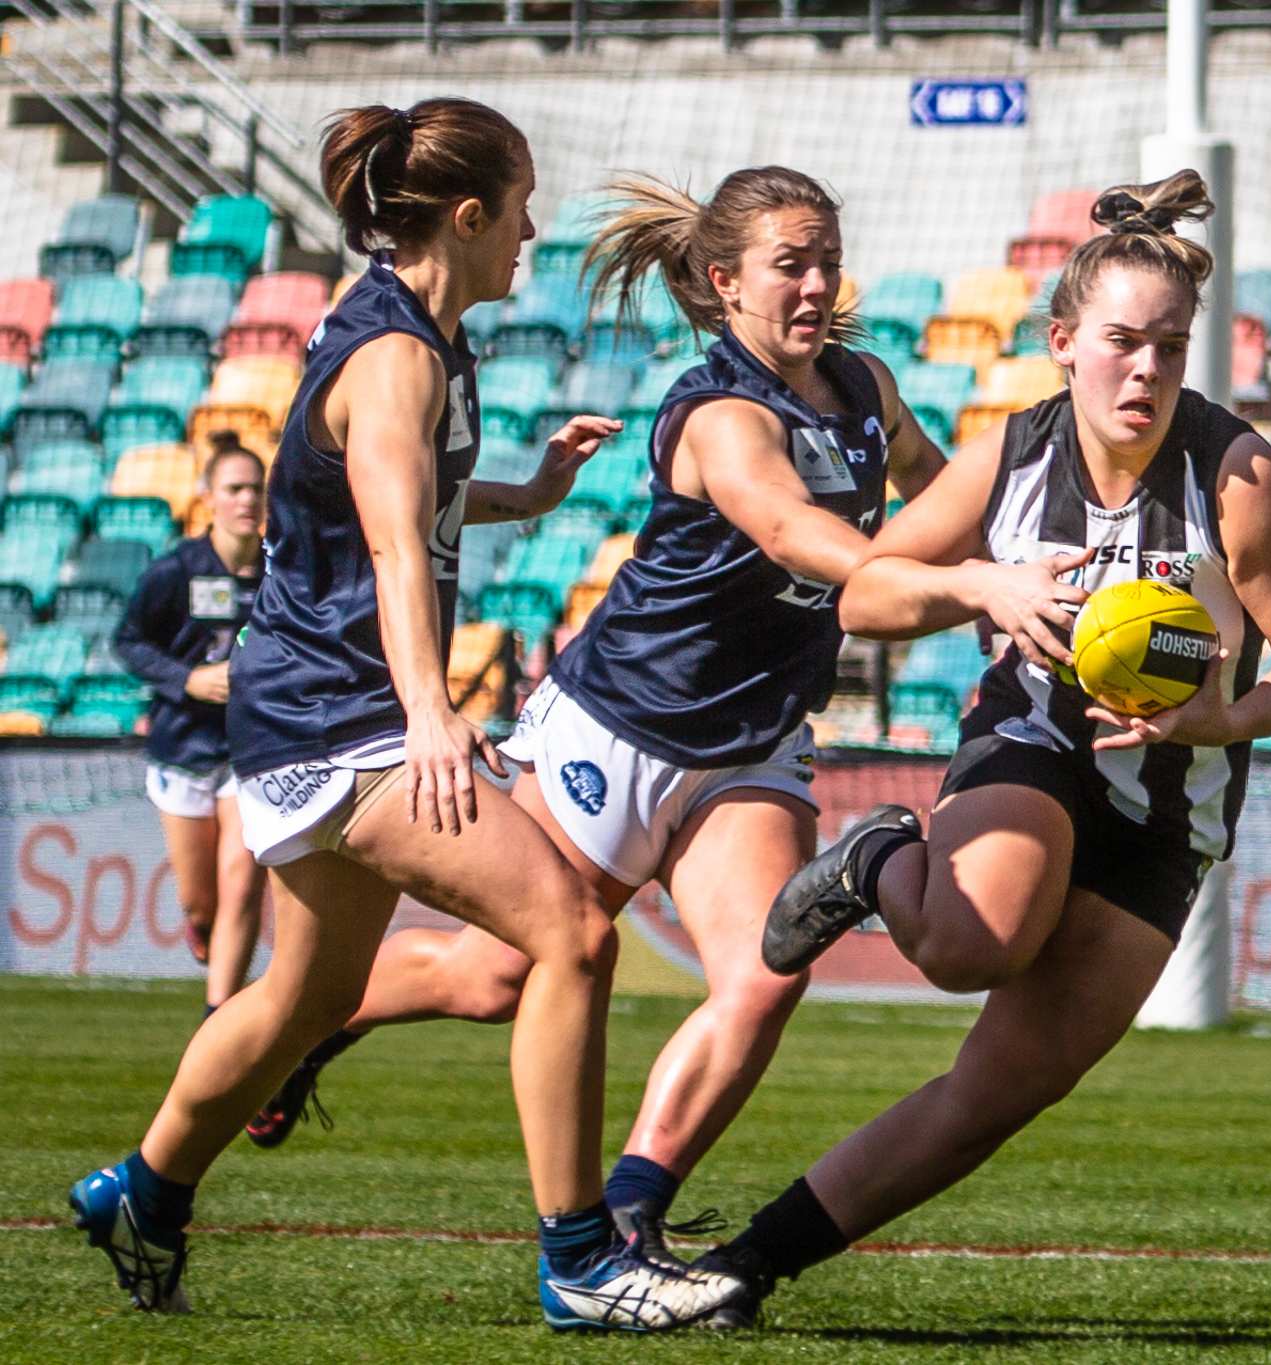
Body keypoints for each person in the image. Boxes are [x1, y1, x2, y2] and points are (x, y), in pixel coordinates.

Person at [69, 97, 734, 1332]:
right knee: (573, 939)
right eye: (522, 209)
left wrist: (521, 491)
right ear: (469, 217)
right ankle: (583, 1261)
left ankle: (143, 1192)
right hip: (345, 716)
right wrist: (429, 712)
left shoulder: (415, 337)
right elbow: (384, 539)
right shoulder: (396, 356)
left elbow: (397, 499)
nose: (532, 234)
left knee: (306, 1002)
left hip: (306, 712)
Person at [243, 165, 948, 1272]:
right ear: (723, 283)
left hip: (750, 741)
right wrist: (967, 592)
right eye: (788, 265)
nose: (815, 285)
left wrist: (1016, 560)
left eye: (825, 260)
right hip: (618, 730)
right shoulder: (720, 413)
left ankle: (628, 1211)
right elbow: (798, 538)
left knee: (767, 974)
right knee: (495, 976)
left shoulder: (864, 385)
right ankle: (311, 1024)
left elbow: (933, 487)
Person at [683, 170, 1271, 1327]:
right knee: (964, 943)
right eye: (1122, 343)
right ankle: (880, 857)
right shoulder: (1009, 457)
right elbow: (865, 598)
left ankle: (745, 1265)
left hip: (1168, 807)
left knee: (996, 1094)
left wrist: (1220, 718)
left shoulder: (1235, 479)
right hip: (1035, 739)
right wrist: (979, 582)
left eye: (1170, 349)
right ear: (1063, 344)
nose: (1145, 371)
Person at [115, 433, 268, 1011]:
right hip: (182, 745)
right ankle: (200, 927)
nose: (247, 499)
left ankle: (217, 1016)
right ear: (208, 498)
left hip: (250, 748)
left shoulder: (281, 573)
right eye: (234, 488)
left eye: (256, 488)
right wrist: (186, 679)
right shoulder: (175, 569)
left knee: (243, 881)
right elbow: (128, 641)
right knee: (201, 902)